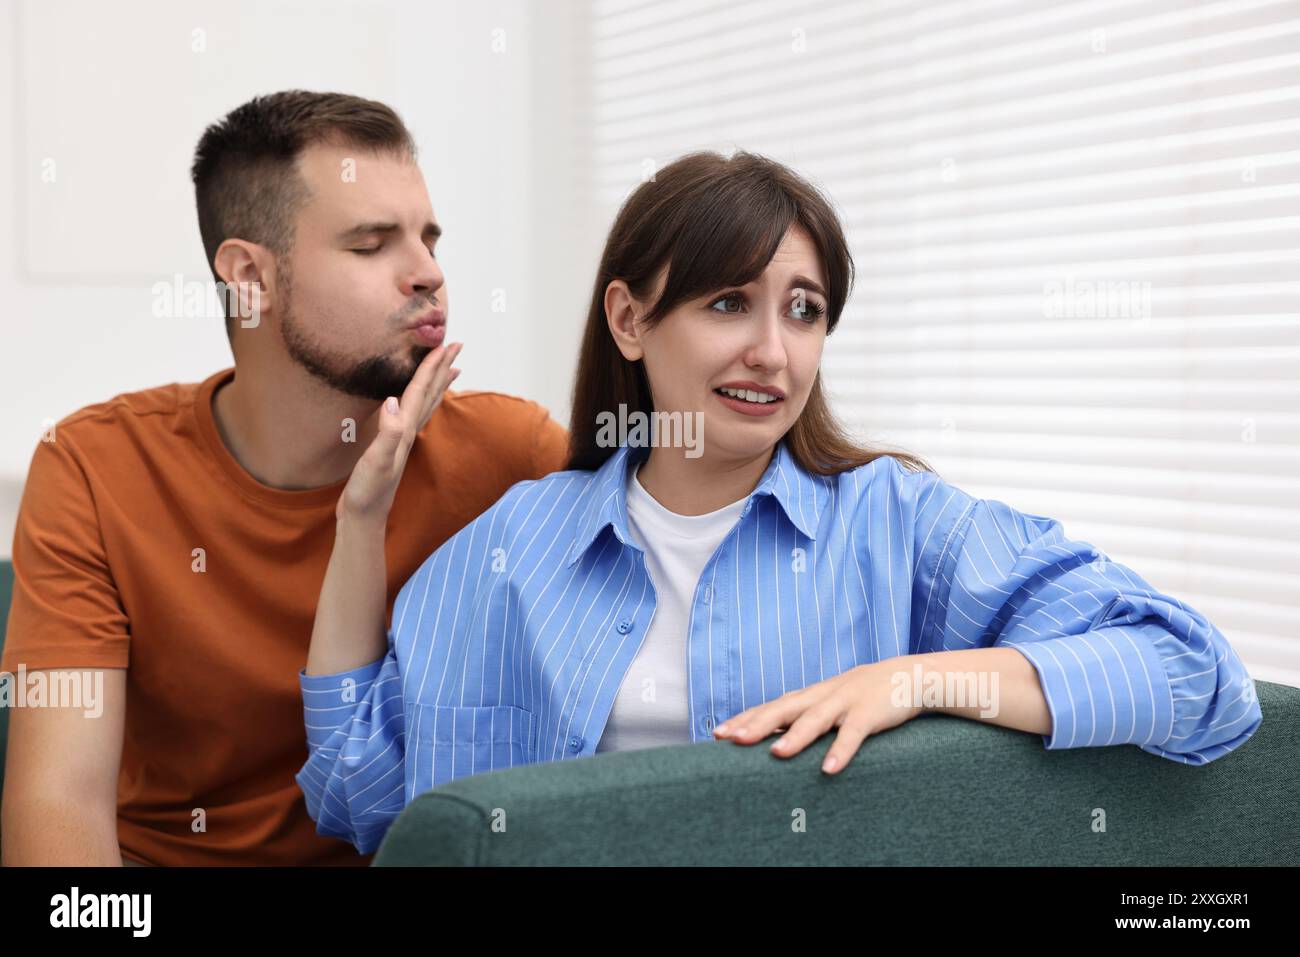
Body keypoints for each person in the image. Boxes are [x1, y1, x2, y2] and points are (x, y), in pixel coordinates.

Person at [297, 150, 1263, 856]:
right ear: (630, 319)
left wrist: (919, 681)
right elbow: (356, 790)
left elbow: (1195, 674)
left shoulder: (895, 523)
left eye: (804, 309)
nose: (774, 351)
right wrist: (359, 523)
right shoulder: (516, 542)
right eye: (729, 303)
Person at [0, 91, 568, 866]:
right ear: (249, 277)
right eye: (372, 245)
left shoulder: (513, 454)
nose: (429, 273)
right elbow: (57, 806)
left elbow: (709, 564)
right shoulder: (94, 468)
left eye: (428, 239)